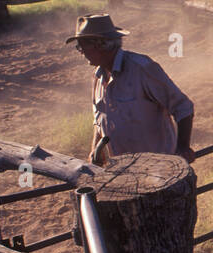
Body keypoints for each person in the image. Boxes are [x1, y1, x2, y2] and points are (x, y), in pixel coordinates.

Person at [68, 14, 194, 165]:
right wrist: (96, 149)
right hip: (124, 169)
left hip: (160, 168)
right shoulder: (98, 76)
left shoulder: (142, 69)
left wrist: (182, 148)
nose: (81, 52)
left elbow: (183, 107)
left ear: (100, 44)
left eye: (82, 46)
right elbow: (100, 117)